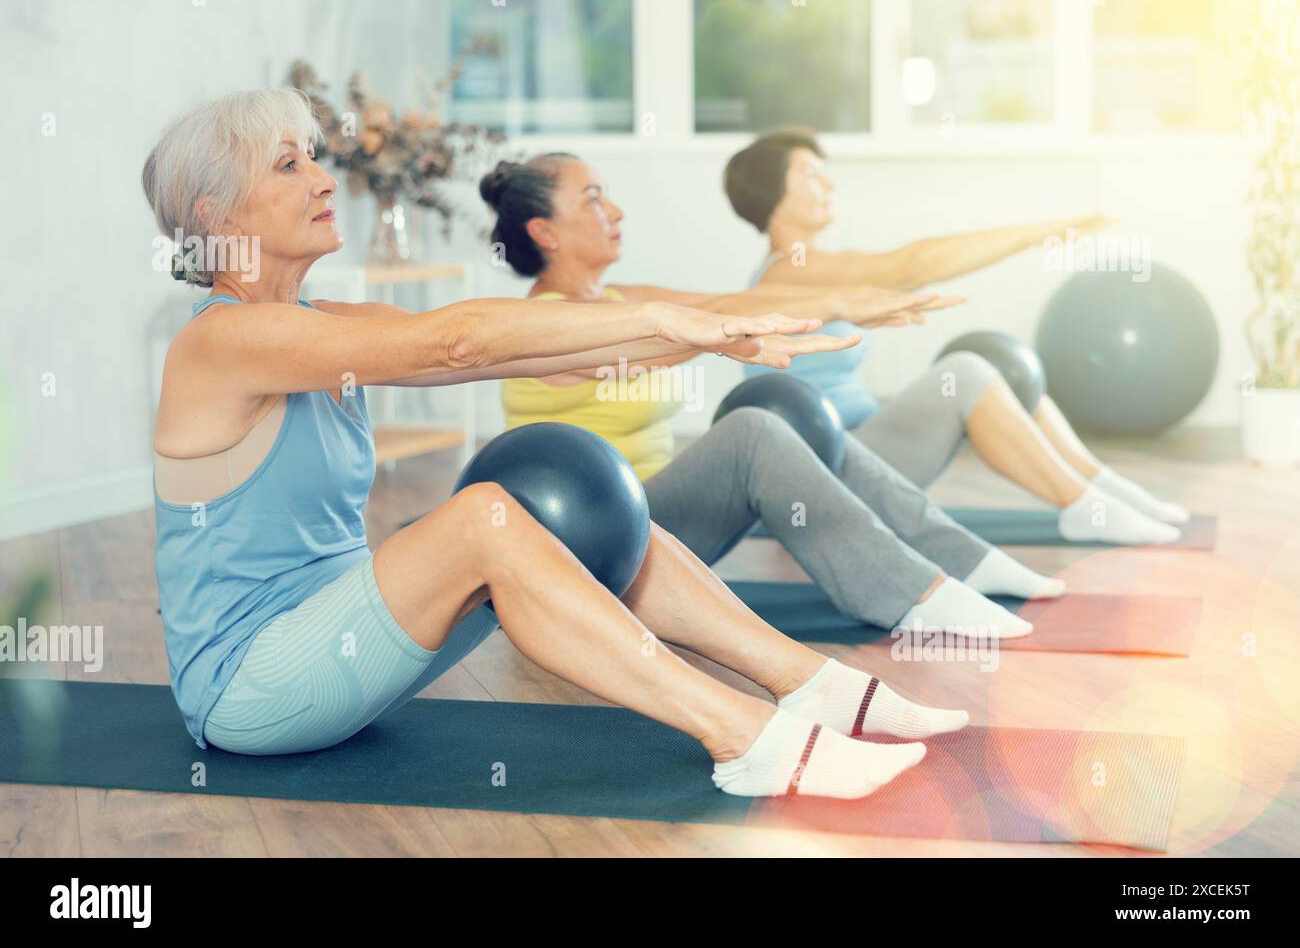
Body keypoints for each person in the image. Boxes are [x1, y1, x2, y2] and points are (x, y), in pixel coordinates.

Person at [145, 88, 976, 802]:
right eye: (289, 166)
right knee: (485, 519)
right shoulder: (220, 345)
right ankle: (745, 739)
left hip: (341, 644)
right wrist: (661, 322)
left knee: (594, 510)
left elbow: (537, 343)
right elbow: (457, 343)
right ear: (215, 215)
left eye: (314, 157)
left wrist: (710, 335)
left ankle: (816, 686)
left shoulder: (321, 328)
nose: (326, 178)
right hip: (251, 691)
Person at [486, 152, 1068, 647]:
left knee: (768, 409)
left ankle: (962, 560)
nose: (614, 211)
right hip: (597, 547)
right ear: (545, 231)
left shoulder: (617, 297)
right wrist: (746, 326)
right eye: (592, 199)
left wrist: (843, 298)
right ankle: (910, 595)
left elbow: (727, 301)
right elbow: (680, 333)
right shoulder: (540, 324)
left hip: (657, 530)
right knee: (752, 432)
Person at [720, 127, 1189, 545]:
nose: (830, 184)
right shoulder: (787, 272)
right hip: (839, 466)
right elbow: (912, 266)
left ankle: (1103, 487)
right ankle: (1082, 507)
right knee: (966, 371)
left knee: (995, 363)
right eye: (811, 175)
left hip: (871, 440)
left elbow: (902, 268)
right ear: (772, 191)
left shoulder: (813, 266)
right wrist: (1036, 234)